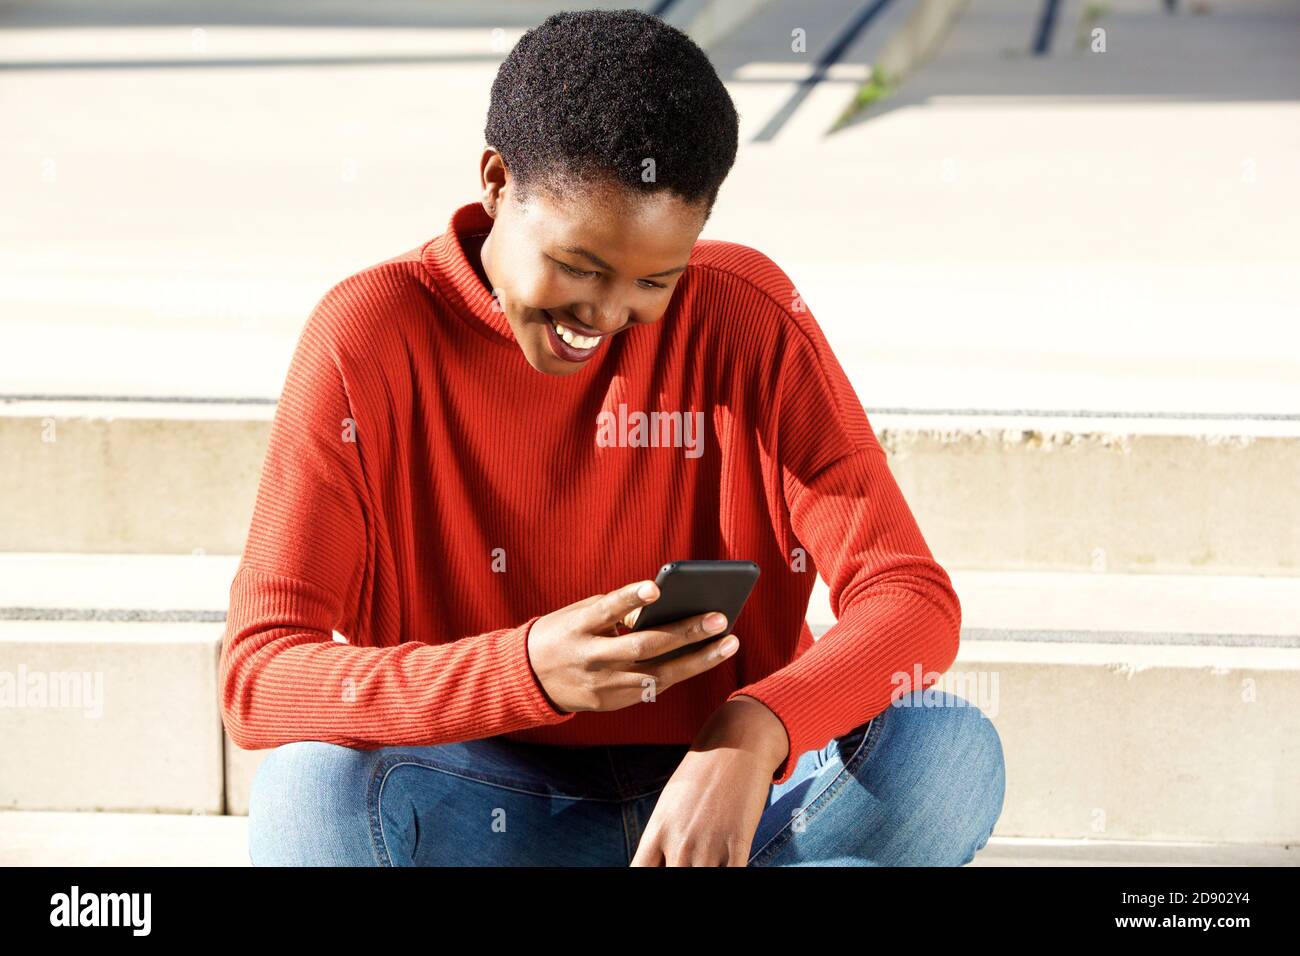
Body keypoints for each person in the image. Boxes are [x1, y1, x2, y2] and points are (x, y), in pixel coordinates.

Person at [222, 8, 1005, 866]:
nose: (603, 315)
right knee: (310, 794)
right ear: (495, 182)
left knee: (945, 751)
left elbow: (909, 597)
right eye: (578, 267)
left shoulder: (749, 317)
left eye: (654, 281)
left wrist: (754, 730)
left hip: (728, 814)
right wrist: (523, 672)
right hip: (488, 805)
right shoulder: (369, 335)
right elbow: (259, 678)